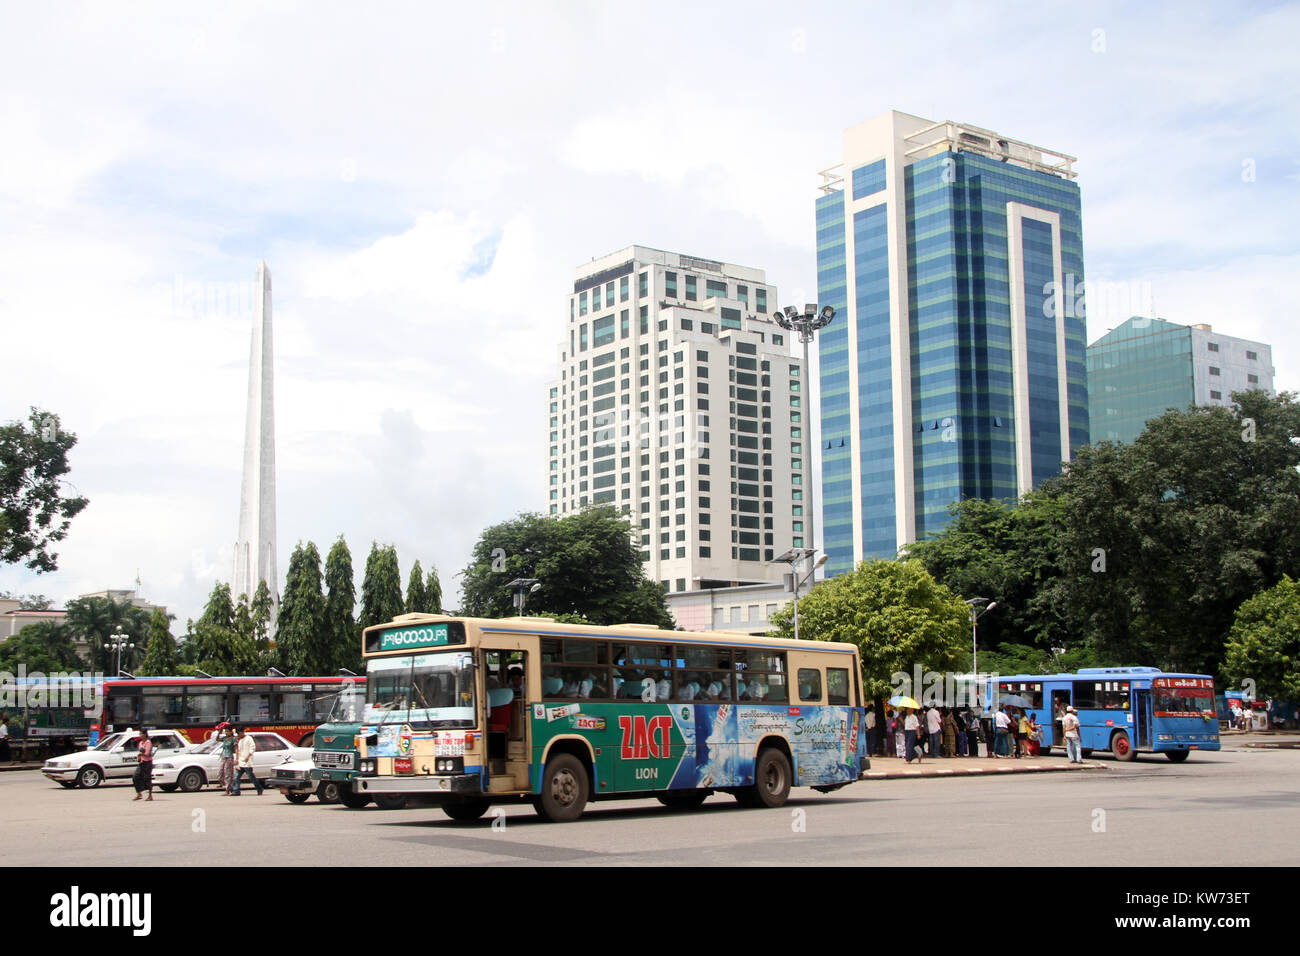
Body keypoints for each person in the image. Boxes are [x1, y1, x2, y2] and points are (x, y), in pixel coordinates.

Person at [232, 728, 263, 796]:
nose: (239, 735)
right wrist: (236, 759)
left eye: (239, 733)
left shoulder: (249, 738)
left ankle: (259, 788)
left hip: (247, 762)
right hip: (240, 762)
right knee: (236, 777)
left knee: (251, 777)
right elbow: (238, 751)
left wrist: (248, 756)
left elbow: (253, 747)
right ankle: (236, 791)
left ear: (242, 732)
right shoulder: (240, 741)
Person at [132, 729, 154, 801]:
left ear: (145, 734)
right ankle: (139, 793)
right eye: (139, 734)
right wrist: (139, 756)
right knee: (135, 777)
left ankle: (150, 795)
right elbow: (140, 752)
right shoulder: (140, 743)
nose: (140, 735)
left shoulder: (148, 742)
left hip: (147, 763)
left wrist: (141, 754)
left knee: (147, 778)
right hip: (141, 762)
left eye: (141, 734)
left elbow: (147, 753)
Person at [219, 726, 237, 794]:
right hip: (223, 756)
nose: (226, 733)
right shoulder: (224, 738)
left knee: (228, 773)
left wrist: (236, 758)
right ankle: (229, 787)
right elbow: (217, 739)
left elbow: (236, 748)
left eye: (227, 731)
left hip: (229, 757)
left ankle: (227, 789)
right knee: (220, 773)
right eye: (225, 731)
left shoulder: (233, 739)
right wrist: (220, 731)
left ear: (231, 731)